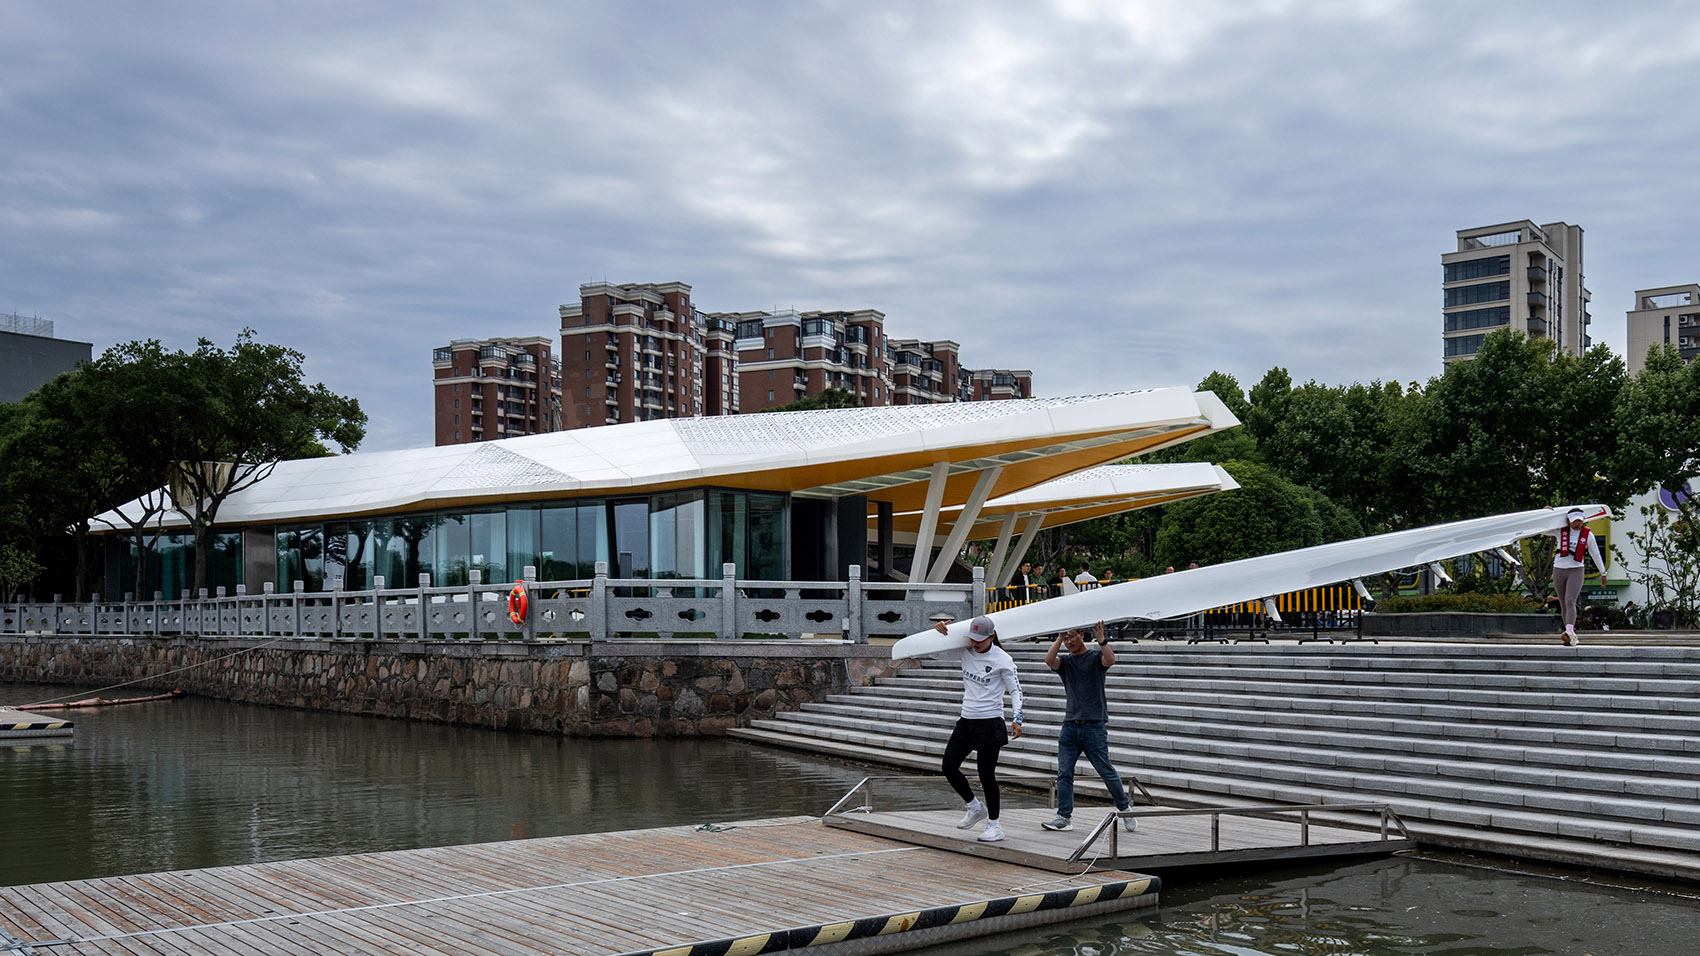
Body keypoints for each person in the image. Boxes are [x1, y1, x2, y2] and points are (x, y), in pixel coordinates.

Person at [929, 616, 1024, 842]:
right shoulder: (965, 651)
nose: (975, 643)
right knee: (948, 765)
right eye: (972, 639)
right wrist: (940, 633)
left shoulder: (1003, 659)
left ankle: (995, 825)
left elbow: (1016, 690)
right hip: (966, 720)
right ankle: (974, 806)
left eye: (980, 640)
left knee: (986, 775)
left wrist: (1017, 718)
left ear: (992, 637)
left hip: (990, 722)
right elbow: (934, 654)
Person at [1041, 620, 1138, 834]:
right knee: (1064, 772)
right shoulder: (1065, 663)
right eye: (1065, 638)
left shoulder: (1094, 658)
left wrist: (1102, 638)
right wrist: (1058, 636)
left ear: (1082, 636)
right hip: (1070, 726)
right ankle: (1063, 816)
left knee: (1105, 770)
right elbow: (1049, 660)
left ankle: (1124, 809)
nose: (1068, 641)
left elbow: (1110, 660)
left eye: (1071, 636)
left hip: (1093, 725)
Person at [1548, 508, 1606, 646]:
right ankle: (1571, 636)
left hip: (1576, 570)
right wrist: (1546, 513)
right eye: (1574, 521)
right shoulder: (1559, 531)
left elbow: (1595, 554)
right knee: (1563, 603)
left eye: (1579, 521)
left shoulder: (1588, 535)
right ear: (1568, 521)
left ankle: (1569, 631)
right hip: (1559, 569)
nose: (1576, 524)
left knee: (1570, 600)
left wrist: (1603, 573)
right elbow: (1541, 529)